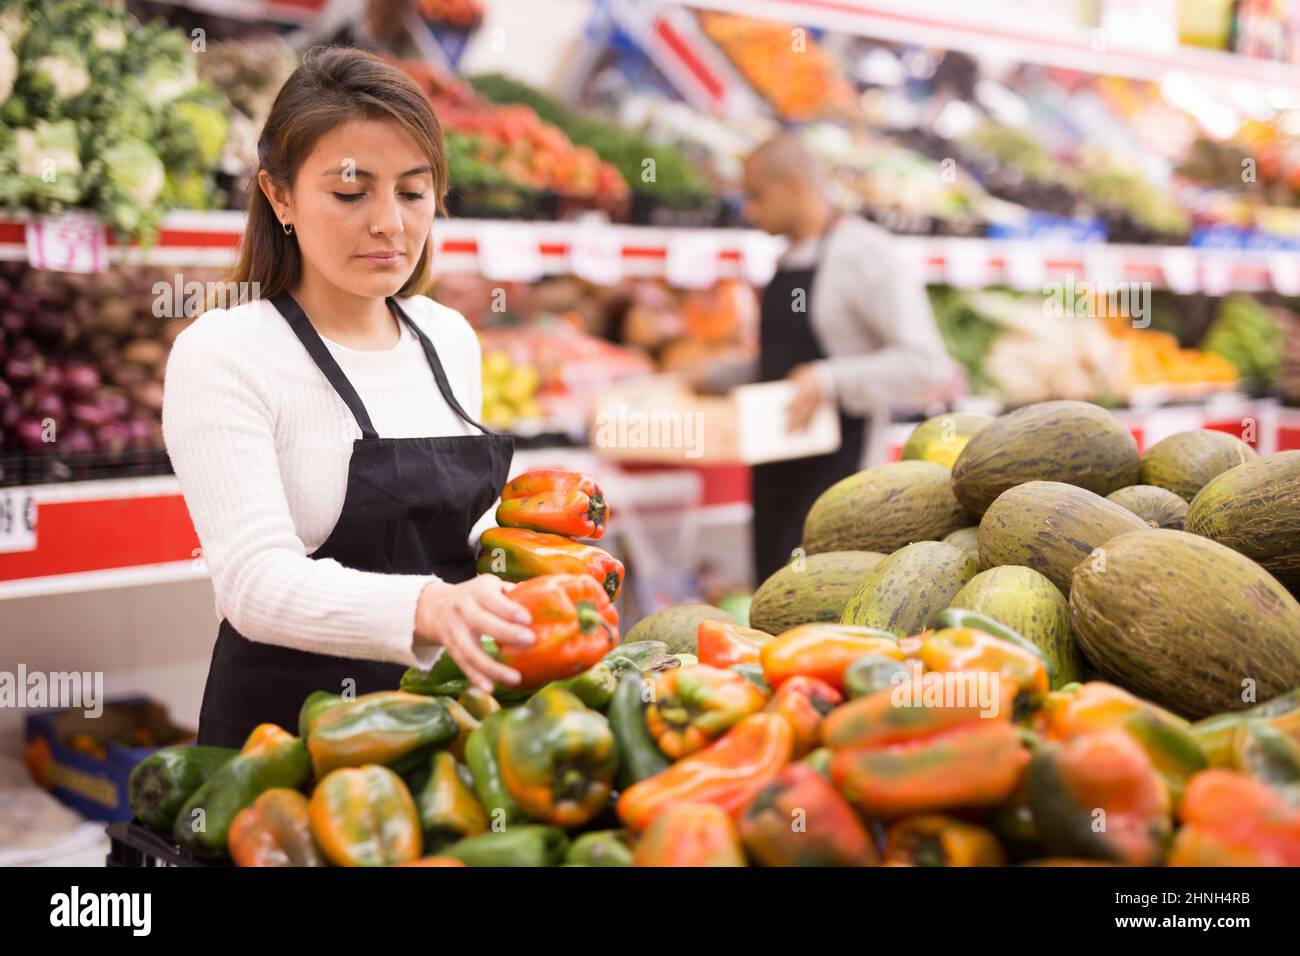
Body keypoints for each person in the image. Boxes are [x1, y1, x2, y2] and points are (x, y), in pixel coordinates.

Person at [162, 48, 535, 749]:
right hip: (287, 748)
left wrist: (541, 565)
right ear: (279, 196)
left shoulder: (448, 337)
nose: (389, 223)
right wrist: (427, 607)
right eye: (350, 192)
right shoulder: (225, 352)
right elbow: (253, 582)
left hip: (441, 729)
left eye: (413, 192)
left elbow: (466, 534)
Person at [699, 135, 959, 584]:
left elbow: (926, 362)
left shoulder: (865, 254)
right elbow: (782, 365)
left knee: (822, 607)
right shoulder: (789, 257)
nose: (749, 209)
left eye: (756, 195)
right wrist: (722, 375)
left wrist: (829, 379)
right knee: (775, 600)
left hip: (841, 481)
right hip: (774, 471)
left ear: (795, 185)